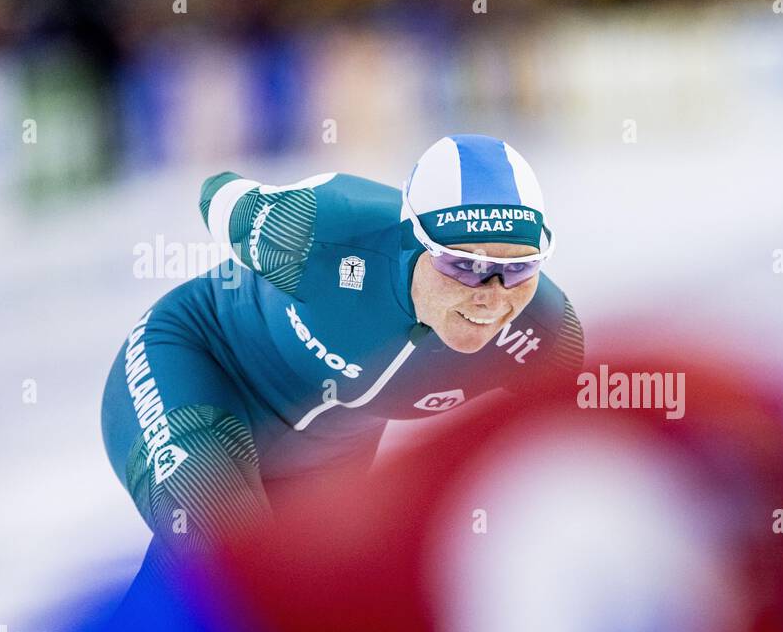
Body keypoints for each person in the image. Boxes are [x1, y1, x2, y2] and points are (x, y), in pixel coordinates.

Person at [100, 134, 584, 559]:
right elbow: (217, 194)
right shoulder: (318, 231)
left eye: (521, 268)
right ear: (415, 240)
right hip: (198, 366)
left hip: (326, 460)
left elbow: (577, 474)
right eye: (465, 265)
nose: (493, 294)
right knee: (232, 575)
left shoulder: (545, 333)